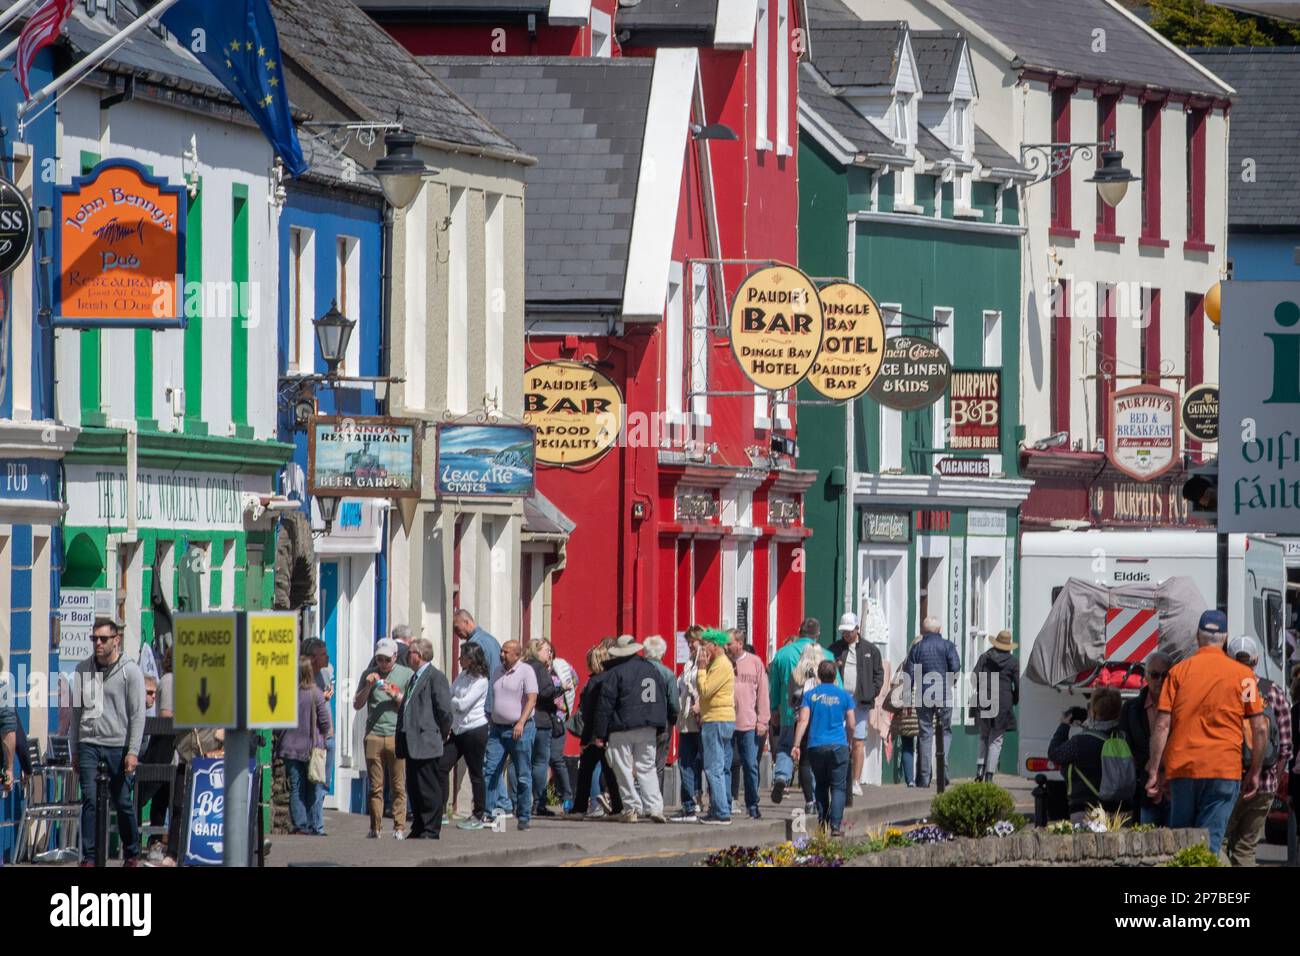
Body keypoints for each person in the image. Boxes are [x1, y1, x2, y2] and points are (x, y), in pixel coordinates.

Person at [1145, 611, 1268, 856]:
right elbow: (1260, 726)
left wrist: (1154, 770)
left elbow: (1161, 725)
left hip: (1183, 768)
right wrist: (1255, 769)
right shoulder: (1244, 677)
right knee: (1209, 846)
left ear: (1197, 637)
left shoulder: (1178, 673)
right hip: (1223, 768)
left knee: (1182, 844)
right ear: (1224, 639)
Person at [70, 617, 146, 866]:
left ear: (116, 640)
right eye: (94, 639)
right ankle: (89, 857)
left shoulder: (130, 671)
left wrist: (132, 751)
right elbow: (76, 713)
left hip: (118, 745)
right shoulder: (82, 669)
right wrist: (75, 750)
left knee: (123, 801)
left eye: (103, 639)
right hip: (89, 743)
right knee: (90, 799)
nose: (98, 643)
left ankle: (132, 852)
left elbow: (138, 714)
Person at [1222, 635, 1292, 866]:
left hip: (1228, 781)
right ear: (1256, 660)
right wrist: (1270, 776)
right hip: (1264, 784)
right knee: (1246, 849)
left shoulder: (1223, 689)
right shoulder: (1273, 691)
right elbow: (1285, 746)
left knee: (1217, 843)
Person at [591, 635, 671, 823]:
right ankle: (655, 807)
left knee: (623, 768)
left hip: (622, 726)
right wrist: (660, 725)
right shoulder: (652, 670)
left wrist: (600, 733)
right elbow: (661, 699)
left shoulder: (615, 672)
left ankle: (632, 807)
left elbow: (605, 705)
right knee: (647, 767)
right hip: (649, 725)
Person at [768, 619, 835, 804]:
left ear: (799, 631)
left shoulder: (782, 654)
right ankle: (812, 796)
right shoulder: (826, 654)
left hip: (790, 712)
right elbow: (838, 687)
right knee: (809, 755)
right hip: (818, 716)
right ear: (818, 634)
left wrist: (774, 709)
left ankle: (781, 777)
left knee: (784, 747)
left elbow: (775, 685)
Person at [354, 637, 414, 839]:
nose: (383, 664)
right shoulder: (368, 674)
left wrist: (395, 694)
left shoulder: (406, 675)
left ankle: (399, 827)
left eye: (387, 659)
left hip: (396, 735)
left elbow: (411, 706)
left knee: (398, 785)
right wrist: (368, 687)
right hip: (374, 735)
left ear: (395, 657)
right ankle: (375, 827)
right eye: (379, 659)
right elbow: (357, 704)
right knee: (375, 786)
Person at [393, 638, 453, 839]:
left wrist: (441, 733)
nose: (407, 656)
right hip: (411, 742)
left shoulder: (435, 677)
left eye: (410, 652)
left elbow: (444, 710)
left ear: (418, 656)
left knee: (428, 787)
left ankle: (431, 828)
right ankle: (418, 825)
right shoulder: (415, 677)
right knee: (415, 786)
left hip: (427, 739)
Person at [791, 660, 856, 837]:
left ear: (818, 675)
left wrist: (796, 745)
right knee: (838, 787)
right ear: (835, 676)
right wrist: (849, 741)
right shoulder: (844, 696)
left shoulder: (810, 695)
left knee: (820, 784)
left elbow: (803, 721)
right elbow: (851, 724)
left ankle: (823, 823)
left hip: (816, 745)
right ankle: (835, 826)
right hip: (838, 745)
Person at [481, 640, 538, 831]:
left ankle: (523, 816)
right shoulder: (497, 671)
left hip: (519, 728)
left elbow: (531, 698)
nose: (502, 655)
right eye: (501, 651)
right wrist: (490, 716)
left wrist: (521, 721)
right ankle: (489, 813)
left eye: (506, 652)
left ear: (517, 655)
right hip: (497, 729)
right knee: (491, 771)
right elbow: (492, 696)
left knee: (522, 774)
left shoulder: (526, 671)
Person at [1047, 687, 1124, 823]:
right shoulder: (1122, 737)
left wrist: (1064, 725)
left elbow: (1054, 753)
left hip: (1087, 810)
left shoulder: (1081, 742)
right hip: (1120, 809)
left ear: (1093, 713)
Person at [454, 609, 504, 812]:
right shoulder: (490, 640)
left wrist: (488, 709)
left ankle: (496, 805)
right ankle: (500, 803)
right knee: (490, 762)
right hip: (489, 708)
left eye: (457, 628)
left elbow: (486, 679)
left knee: (486, 764)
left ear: (467, 622)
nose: (457, 633)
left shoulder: (478, 645)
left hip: (482, 713)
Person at [829, 612, 884, 798]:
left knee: (858, 741)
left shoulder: (870, 649)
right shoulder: (835, 648)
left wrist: (872, 691)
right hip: (839, 701)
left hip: (861, 702)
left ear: (857, 629)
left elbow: (879, 674)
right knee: (839, 740)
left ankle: (855, 781)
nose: (846, 635)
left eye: (849, 632)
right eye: (843, 632)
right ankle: (838, 779)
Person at [903, 616, 961, 789]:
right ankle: (942, 768)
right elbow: (956, 667)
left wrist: (907, 701)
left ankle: (924, 778)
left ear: (923, 630)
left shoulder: (917, 648)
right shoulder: (948, 646)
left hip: (924, 694)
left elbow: (909, 674)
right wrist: (950, 682)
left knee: (925, 734)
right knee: (946, 731)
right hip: (943, 693)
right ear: (939, 629)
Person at [278, 656, 333, 835]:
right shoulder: (315, 693)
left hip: (289, 748)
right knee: (314, 787)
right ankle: (314, 825)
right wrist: (323, 737)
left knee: (296, 787)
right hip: (310, 748)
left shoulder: (287, 693)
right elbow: (325, 722)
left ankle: (300, 825)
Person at [1118, 652, 1173, 825]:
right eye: (1155, 675)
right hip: (1146, 790)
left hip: (1175, 789)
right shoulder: (1131, 709)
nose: (1160, 680)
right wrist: (1147, 766)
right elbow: (1126, 747)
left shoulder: (1181, 707)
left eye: (1165, 675)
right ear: (1146, 676)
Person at [443, 642, 491, 829]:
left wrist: (452, 700)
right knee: (441, 766)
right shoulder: (463, 675)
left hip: (475, 730)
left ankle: (478, 815)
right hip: (458, 729)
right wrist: (454, 700)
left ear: (471, 659)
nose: (459, 659)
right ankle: (439, 811)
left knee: (475, 772)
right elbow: (450, 694)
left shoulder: (481, 681)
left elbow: (463, 705)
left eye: (462, 656)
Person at [573, 644, 623, 819]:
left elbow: (590, 711)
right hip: (610, 731)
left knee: (586, 771)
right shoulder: (612, 678)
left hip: (595, 732)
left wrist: (587, 738)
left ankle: (580, 807)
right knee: (609, 771)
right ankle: (617, 806)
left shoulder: (594, 682)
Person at [524, 639, 572, 817]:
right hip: (542, 719)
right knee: (540, 762)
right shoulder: (539, 668)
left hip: (524, 719)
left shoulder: (523, 666)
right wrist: (559, 690)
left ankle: (519, 802)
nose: (549, 654)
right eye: (546, 650)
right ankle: (539, 803)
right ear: (537, 651)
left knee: (521, 761)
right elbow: (545, 692)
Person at [726, 629, 769, 819]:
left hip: (749, 723)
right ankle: (725, 803)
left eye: (729, 643)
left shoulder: (754, 662)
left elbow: (763, 694)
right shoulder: (723, 663)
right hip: (725, 722)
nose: (726, 647)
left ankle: (752, 804)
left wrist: (763, 720)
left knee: (750, 765)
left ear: (740, 644)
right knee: (725, 765)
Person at [697, 628, 736, 825]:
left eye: (705, 644)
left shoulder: (720, 665)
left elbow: (705, 690)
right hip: (718, 718)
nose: (702, 648)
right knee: (717, 766)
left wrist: (701, 668)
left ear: (715, 645)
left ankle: (721, 811)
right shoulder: (719, 663)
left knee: (714, 767)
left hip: (717, 719)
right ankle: (717, 808)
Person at [669, 625, 706, 822]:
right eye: (688, 641)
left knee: (694, 762)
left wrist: (700, 703)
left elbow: (705, 687)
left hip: (698, 718)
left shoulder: (704, 662)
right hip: (686, 719)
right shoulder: (689, 663)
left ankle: (692, 804)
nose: (690, 644)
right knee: (687, 762)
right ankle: (690, 803)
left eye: (692, 640)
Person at [971, 630, 1019, 783]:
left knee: (984, 736)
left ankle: (979, 769)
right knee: (996, 739)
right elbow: (1018, 685)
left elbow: (974, 678)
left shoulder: (985, 657)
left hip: (985, 698)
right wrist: (1014, 699)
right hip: (1003, 702)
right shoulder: (1013, 662)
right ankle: (989, 774)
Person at [301, 637, 336, 827]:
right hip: (313, 737)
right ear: (313, 658)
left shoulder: (326, 673)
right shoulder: (303, 676)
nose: (328, 657)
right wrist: (319, 697)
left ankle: (315, 821)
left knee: (324, 783)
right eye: (323, 654)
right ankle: (315, 825)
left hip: (328, 734)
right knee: (314, 783)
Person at [642, 635, 677, 793]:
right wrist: (672, 719)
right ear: (662, 654)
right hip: (661, 724)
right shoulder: (668, 674)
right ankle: (656, 801)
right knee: (658, 764)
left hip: (640, 723)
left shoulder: (637, 671)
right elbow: (674, 703)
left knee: (641, 762)